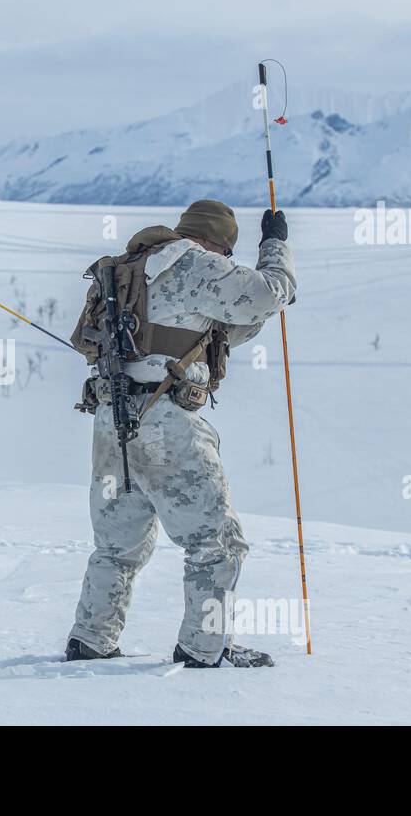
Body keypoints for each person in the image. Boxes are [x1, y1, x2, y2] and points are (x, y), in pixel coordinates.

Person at [65, 200, 296, 667]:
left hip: (112, 420)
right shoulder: (195, 263)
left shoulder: (134, 265)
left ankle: (90, 641)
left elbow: (208, 333)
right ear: (217, 243)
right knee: (216, 544)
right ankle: (205, 651)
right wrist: (276, 245)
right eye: (227, 255)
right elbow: (271, 292)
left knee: (116, 547)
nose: (226, 264)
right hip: (165, 421)